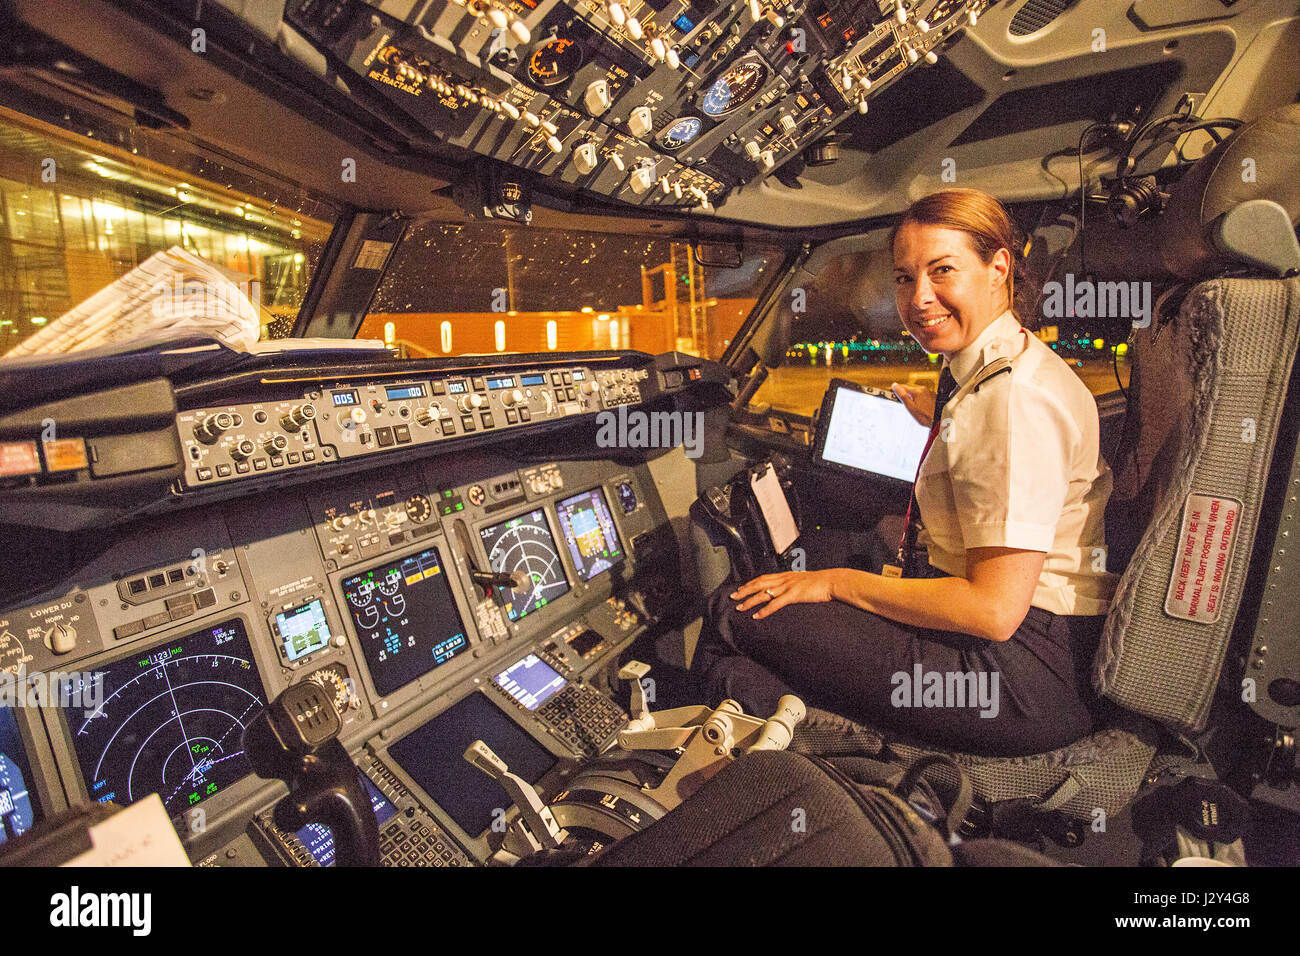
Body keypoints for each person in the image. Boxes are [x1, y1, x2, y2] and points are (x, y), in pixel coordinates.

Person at [692, 187, 1117, 757]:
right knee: (865, 547)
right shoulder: (1000, 370)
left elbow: (991, 612)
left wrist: (834, 584)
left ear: (998, 269)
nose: (920, 298)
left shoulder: (1010, 403)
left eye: (943, 271)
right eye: (903, 278)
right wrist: (940, 413)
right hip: (1042, 647)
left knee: (736, 613)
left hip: (1015, 675)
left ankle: (821, 759)